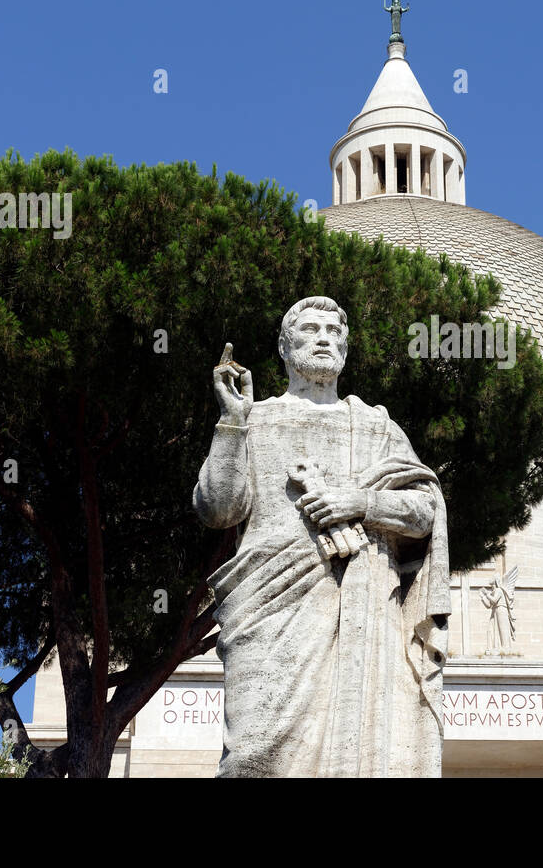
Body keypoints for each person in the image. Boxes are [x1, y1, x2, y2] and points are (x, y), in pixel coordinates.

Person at [193, 296, 449, 776]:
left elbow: (424, 512)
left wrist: (363, 503)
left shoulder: (377, 427)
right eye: (310, 329)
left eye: (334, 331)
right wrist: (230, 421)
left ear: (347, 350)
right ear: (284, 347)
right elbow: (217, 509)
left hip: (363, 608)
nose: (324, 337)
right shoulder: (254, 419)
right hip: (267, 610)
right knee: (252, 754)